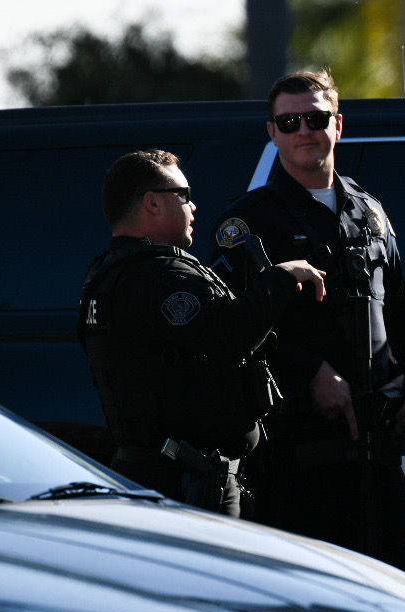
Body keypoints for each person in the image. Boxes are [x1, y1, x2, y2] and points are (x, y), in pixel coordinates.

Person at [208, 70, 405, 571]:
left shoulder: (370, 210)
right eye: (289, 121)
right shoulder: (250, 222)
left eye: (314, 118)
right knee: (313, 599)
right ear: (271, 133)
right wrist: (307, 370)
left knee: (388, 588)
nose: (303, 131)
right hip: (299, 451)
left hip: (378, 446)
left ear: (337, 125)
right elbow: (227, 327)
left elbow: (401, 301)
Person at [78, 149, 325, 516]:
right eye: (184, 195)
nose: (194, 207)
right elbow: (227, 333)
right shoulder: (160, 276)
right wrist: (282, 277)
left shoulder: (108, 276)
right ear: (153, 203)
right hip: (185, 484)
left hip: (162, 474)